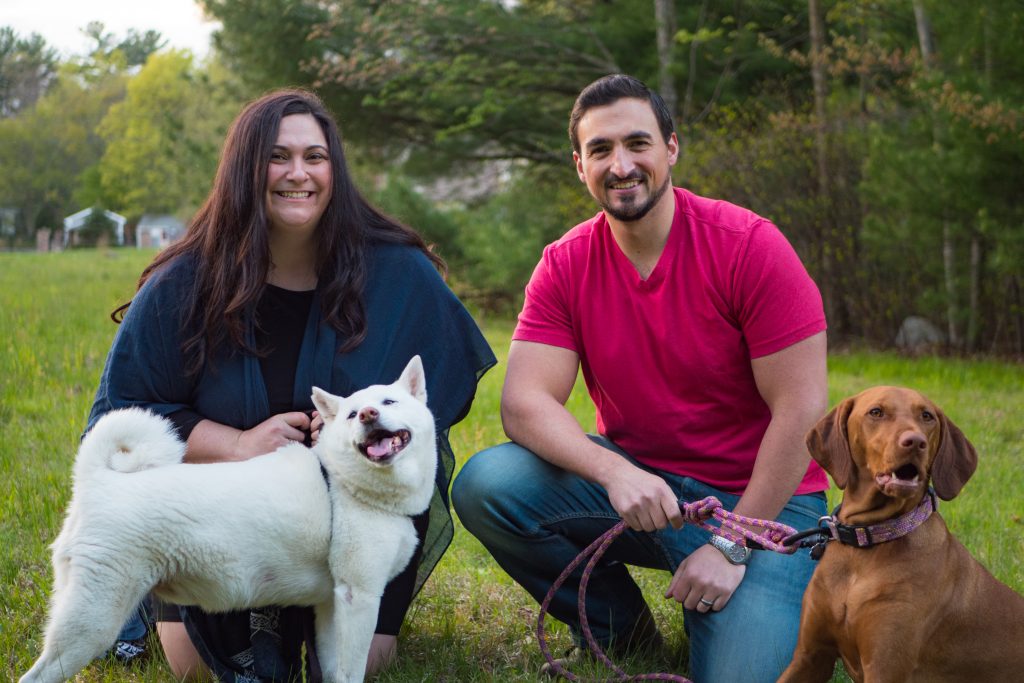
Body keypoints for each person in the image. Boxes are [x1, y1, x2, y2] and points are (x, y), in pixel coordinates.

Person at [88, 88, 495, 682]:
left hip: (351, 519)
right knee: (198, 670)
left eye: (315, 156)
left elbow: (440, 391)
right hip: (220, 520)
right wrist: (234, 445)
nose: (298, 174)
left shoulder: (395, 271)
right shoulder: (186, 281)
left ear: (335, 169)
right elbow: (119, 416)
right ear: (246, 170)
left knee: (362, 666)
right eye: (277, 157)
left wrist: (352, 455)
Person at [451, 74, 828, 683]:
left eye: (638, 144)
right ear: (580, 165)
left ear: (671, 148)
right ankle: (619, 631)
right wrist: (615, 471)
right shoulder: (566, 263)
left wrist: (734, 544)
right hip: (643, 492)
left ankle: (733, 590)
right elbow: (524, 403)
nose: (621, 165)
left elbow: (802, 409)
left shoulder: (749, 247)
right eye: (600, 150)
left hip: (768, 504)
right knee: (489, 482)